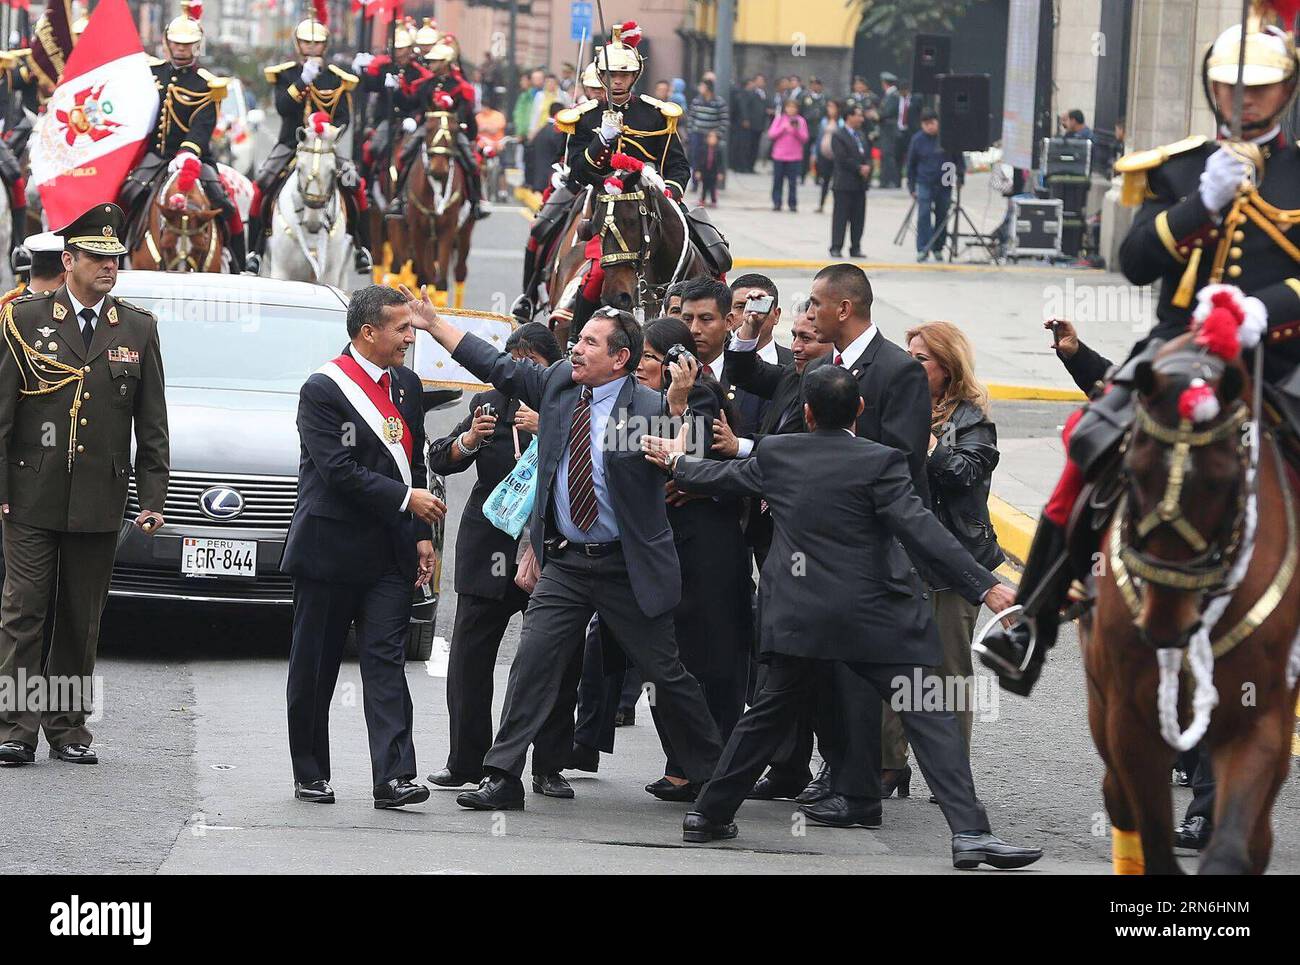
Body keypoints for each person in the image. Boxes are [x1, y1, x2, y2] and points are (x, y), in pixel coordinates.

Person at [980, 17, 1300, 697]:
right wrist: (1199, 203)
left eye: (1262, 90)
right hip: (1179, 347)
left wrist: (1261, 309)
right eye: (1230, 87)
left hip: (1279, 352)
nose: (1244, 101)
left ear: (1287, 90)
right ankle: (1030, 621)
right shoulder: (1181, 166)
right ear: (1212, 86)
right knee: (1093, 443)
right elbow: (1134, 260)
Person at [642, 366, 1041, 870]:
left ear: (806, 414)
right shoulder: (882, 462)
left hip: (801, 621)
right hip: (875, 622)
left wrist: (676, 461)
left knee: (765, 718)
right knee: (929, 717)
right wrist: (985, 586)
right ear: (859, 411)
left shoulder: (779, 454)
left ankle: (708, 815)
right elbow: (922, 531)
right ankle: (968, 835)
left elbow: (719, 476)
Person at [407, 291, 724, 809]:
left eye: (589, 344)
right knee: (532, 661)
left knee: (667, 674)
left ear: (620, 359)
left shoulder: (648, 406)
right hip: (568, 564)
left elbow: (679, 459)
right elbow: (493, 363)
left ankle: (716, 778)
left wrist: (680, 407)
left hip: (627, 566)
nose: (574, 349)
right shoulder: (557, 386)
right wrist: (435, 323)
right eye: (576, 340)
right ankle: (502, 776)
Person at [0, 203, 168, 767]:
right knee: (24, 611)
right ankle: (16, 729)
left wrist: (151, 500)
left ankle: (68, 729)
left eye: (114, 258)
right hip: (30, 495)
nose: (108, 267)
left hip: (100, 498)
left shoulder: (138, 327)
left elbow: (152, 423)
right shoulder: (24, 320)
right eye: (97, 257)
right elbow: (2, 415)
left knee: (80, 616)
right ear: (68, 260)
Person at [281, 286, 446, 807]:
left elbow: (414, 461)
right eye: (401, 328)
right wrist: (407, 500)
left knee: (386, 664)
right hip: (330, 550)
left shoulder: (408, 385)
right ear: (368, 332)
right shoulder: (323, 389)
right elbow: (337, 471)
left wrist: (421, 535)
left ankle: (394, 777)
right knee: (316, 666)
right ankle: (310, 771)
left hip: (388, 554)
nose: (409, 336)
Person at [426, 323, 580, 798]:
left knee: (552, 662)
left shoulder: (572, 403)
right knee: (470, 661)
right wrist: (469, 439)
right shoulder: (488, 404)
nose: (522, 373)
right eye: (516, 363)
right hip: (488, 549)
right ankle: (466, 761)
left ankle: (549, 766)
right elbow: (440, 459)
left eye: (532, 364)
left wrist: (548, 428)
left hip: (548, 554)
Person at [880, 321, 1004, 793]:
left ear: (947, 369)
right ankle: (889, 764)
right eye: (907, 356)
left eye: (921, 360)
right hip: (899, 556)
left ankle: (951, 775)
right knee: (892, 663)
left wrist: (928, 441)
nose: (910, 367)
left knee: (947, 671)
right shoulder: (899, 406)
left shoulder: (971, 419)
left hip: (953, 561)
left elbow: (964, 472)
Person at [635, 316, 750, 800]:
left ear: (678, 365)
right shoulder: (642, 400)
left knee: (713, 660)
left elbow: (690, 468)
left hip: (708, 553)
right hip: (665, 548)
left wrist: (678, 405)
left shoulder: (699, 399)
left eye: (649, 358)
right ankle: (683, 760)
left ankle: (708, 763)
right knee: (668, 660)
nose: (640, 365)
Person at [551, 21, 700, 334]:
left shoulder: (657, 114)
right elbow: (578, 169)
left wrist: (670, 191)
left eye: (624, 75)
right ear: (602, 77)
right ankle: (574, 336)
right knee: (591, 276)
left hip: (652, 196)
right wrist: (601, 139)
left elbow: (677, 165)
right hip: (604, 200)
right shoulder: (586, 116)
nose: (617, 82)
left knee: (709, 245)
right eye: (611, 75)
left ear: (635, 76)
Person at [118, 2, 244, 270]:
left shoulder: (207, 84)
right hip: (156, 156)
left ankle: (240, 262)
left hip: (194, 159)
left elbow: (203, 124)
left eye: (186, 45)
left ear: (197, 46)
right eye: (176, 43)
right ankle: (114, 257)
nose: (180, 49)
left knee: (224, 202)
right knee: (126, 195)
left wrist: (188, 152)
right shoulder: (152, 73)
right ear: (167, 42)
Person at [245, 12, 370, 275]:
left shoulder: (337, 78)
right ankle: (255, 251)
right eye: (306, 43)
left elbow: (345, 117)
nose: (311, 48)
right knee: (262, 187)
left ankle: (362, 247)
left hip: (324, 148)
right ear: (297, 45)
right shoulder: (285, 74)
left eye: (316, 44)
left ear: (324, 46)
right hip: (291, 145)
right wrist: (303, 79)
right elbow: (283, 108)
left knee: (354, 186)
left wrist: (329, 130)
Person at [389, 41, 488, 222]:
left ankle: (476, 201)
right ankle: (398, 198)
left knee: (471, 162)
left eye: (435, 61)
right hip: (428, 128)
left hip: (451, 130)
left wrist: (466, 131)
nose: (431, 65)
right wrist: (396, 91)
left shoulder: (459, 86)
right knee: (405, 155)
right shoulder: (425, 85)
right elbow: (411, 104)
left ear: (445, 63)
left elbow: (466, 112)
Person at [907, 109, 964, 262]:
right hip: (924, 181)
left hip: (945, 182)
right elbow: (911, 165)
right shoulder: (917, 140)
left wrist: (960, 177)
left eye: (932, 123)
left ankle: (938, 247)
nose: (930, 127)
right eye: (926, 124)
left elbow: (958, 159)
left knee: (942, 216)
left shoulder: (947, 138)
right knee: (923, 215)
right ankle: (923, 248)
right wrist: (911, 187)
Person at [829, 105, 871, 258]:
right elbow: (841, 158)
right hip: (844, 183)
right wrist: (859, 168)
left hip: (860, 184)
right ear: (849, 117)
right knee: (840, 217)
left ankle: (856, 247)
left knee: (858, 218)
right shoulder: (839, 135)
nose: (861, 119)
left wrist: (868, 167)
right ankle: (836, 246)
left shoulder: (860, 134)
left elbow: (867, 154)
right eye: (858, 115)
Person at [768, 99, 809, 212]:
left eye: (794, 107)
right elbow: (771, 134)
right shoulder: (780, 119)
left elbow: (805, 138)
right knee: (777, 180)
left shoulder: (801, 121)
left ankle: (792, 203)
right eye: (789, 107)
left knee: (792, 182)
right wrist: (783, 128)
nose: (791, 110)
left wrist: (796, 130)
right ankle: (777, 202)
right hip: (779, 155)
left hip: (794, 156)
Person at [687, 78, 729, 173]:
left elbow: (724, 120)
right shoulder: (696, 101)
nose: (700, 88)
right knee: (695, 157)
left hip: (711, 136)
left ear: (708, 88)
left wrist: (717, 134)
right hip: (697, 133)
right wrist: (690, 133)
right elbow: (691, 118)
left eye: (702, 86)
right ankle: (695, 181)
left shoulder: (719, 102)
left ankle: (709, 181)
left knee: (710, 160)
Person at [814, 99, 842, 214]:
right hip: (824, 155)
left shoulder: (841, 122)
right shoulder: (824, 121)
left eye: (833, 107)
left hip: (837, 155)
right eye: (829, 107)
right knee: (824, 181)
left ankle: (838, 206)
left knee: (837, 182)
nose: (830, 109)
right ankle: (821, 204)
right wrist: (815, 153)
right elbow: (819, 138)